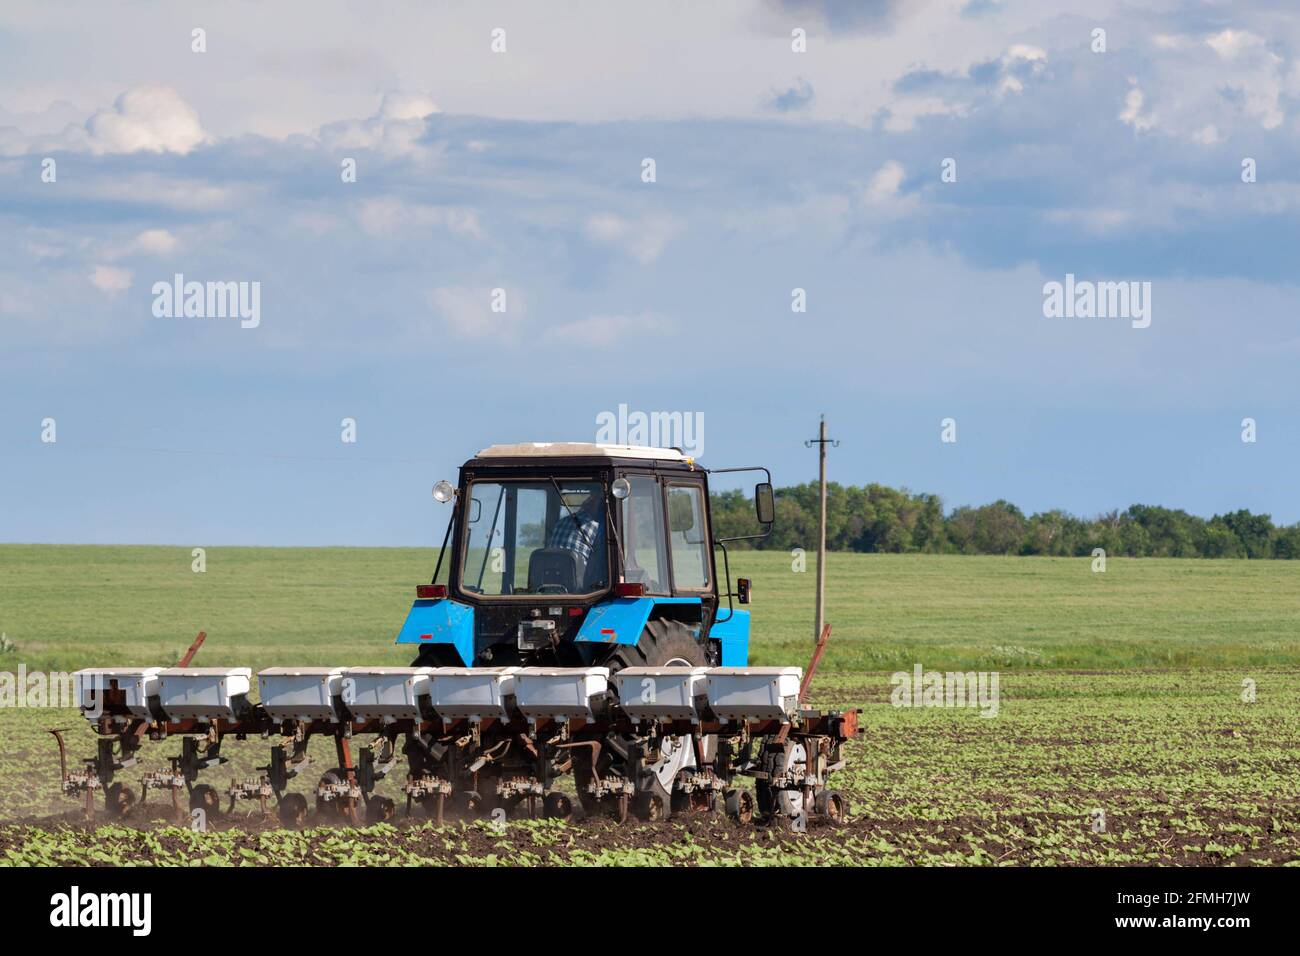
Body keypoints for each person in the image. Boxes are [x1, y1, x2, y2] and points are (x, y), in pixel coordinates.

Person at [546, 489, 605, 587]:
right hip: (578, 586)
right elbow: (601, 562)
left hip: (549, 581)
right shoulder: (595, 527)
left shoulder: (560, 523)